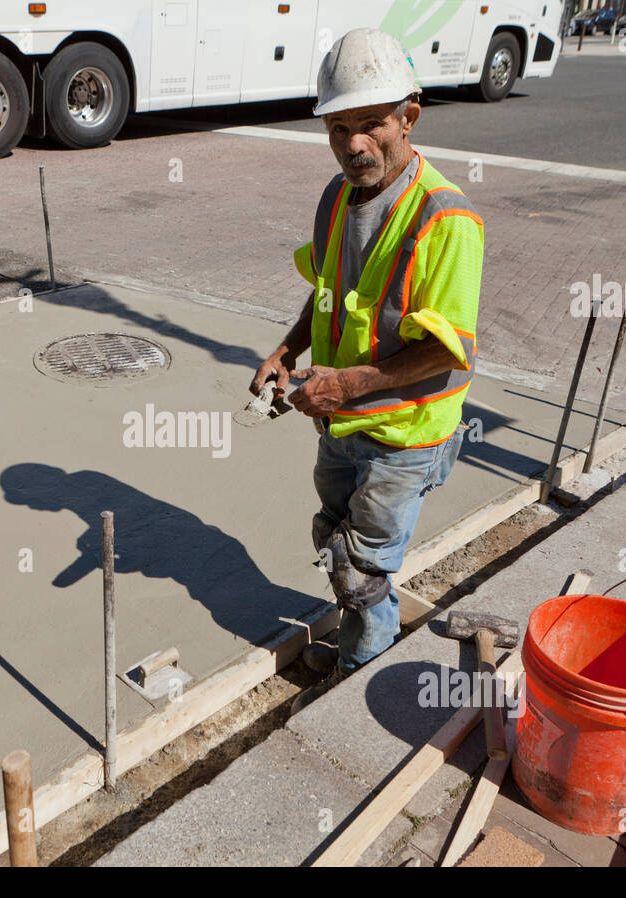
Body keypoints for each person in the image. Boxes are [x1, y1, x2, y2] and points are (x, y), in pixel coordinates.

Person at [249, 28, 484, 711]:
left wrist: (345, 384)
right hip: (341, 420)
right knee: (332, 537)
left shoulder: (446, 218)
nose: (355, 144)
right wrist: (289, 350)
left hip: (405, 433)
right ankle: (360, 627)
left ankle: (358, 675)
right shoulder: (335, 197)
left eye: (372, 125)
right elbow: (325, 287)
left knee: (360, 568)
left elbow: (447, 348)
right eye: (339, 127)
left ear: (408, 118)